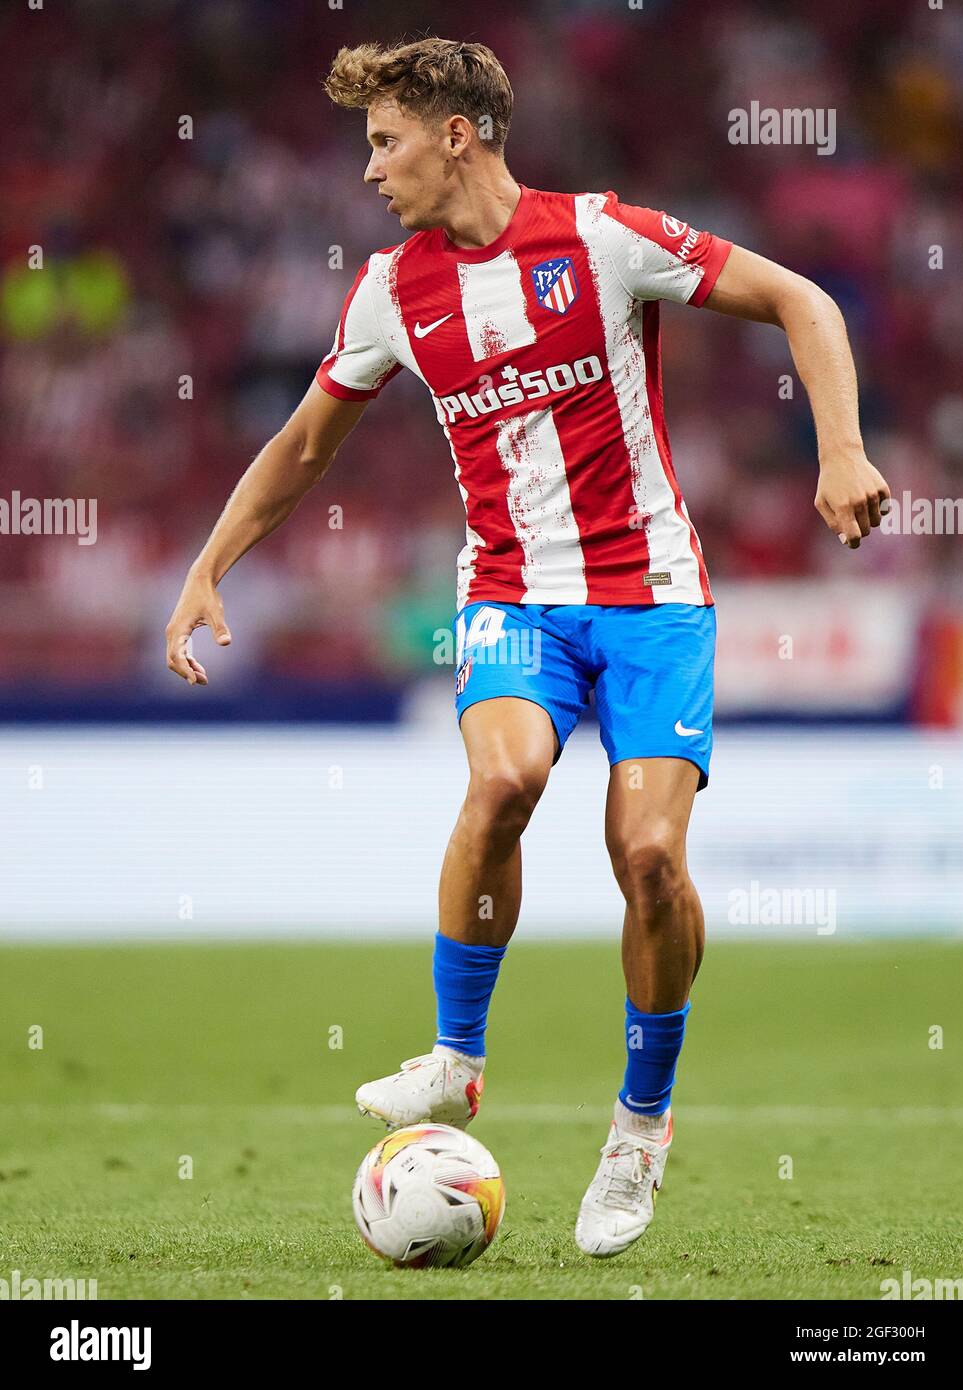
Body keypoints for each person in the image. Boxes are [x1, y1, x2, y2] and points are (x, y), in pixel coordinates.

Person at [165, 37, 890, 1258]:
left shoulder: (604, 238)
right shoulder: (393, 289)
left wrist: (842, 450)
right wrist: (208, 561)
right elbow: (302, 447)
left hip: (654, 593)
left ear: (459, 134)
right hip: (510, 592)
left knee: (648, 856)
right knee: (502, 777)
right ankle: (455, 1059)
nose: (371, 172)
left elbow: (803, 302)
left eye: (386, 143)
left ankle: (639, 1128)